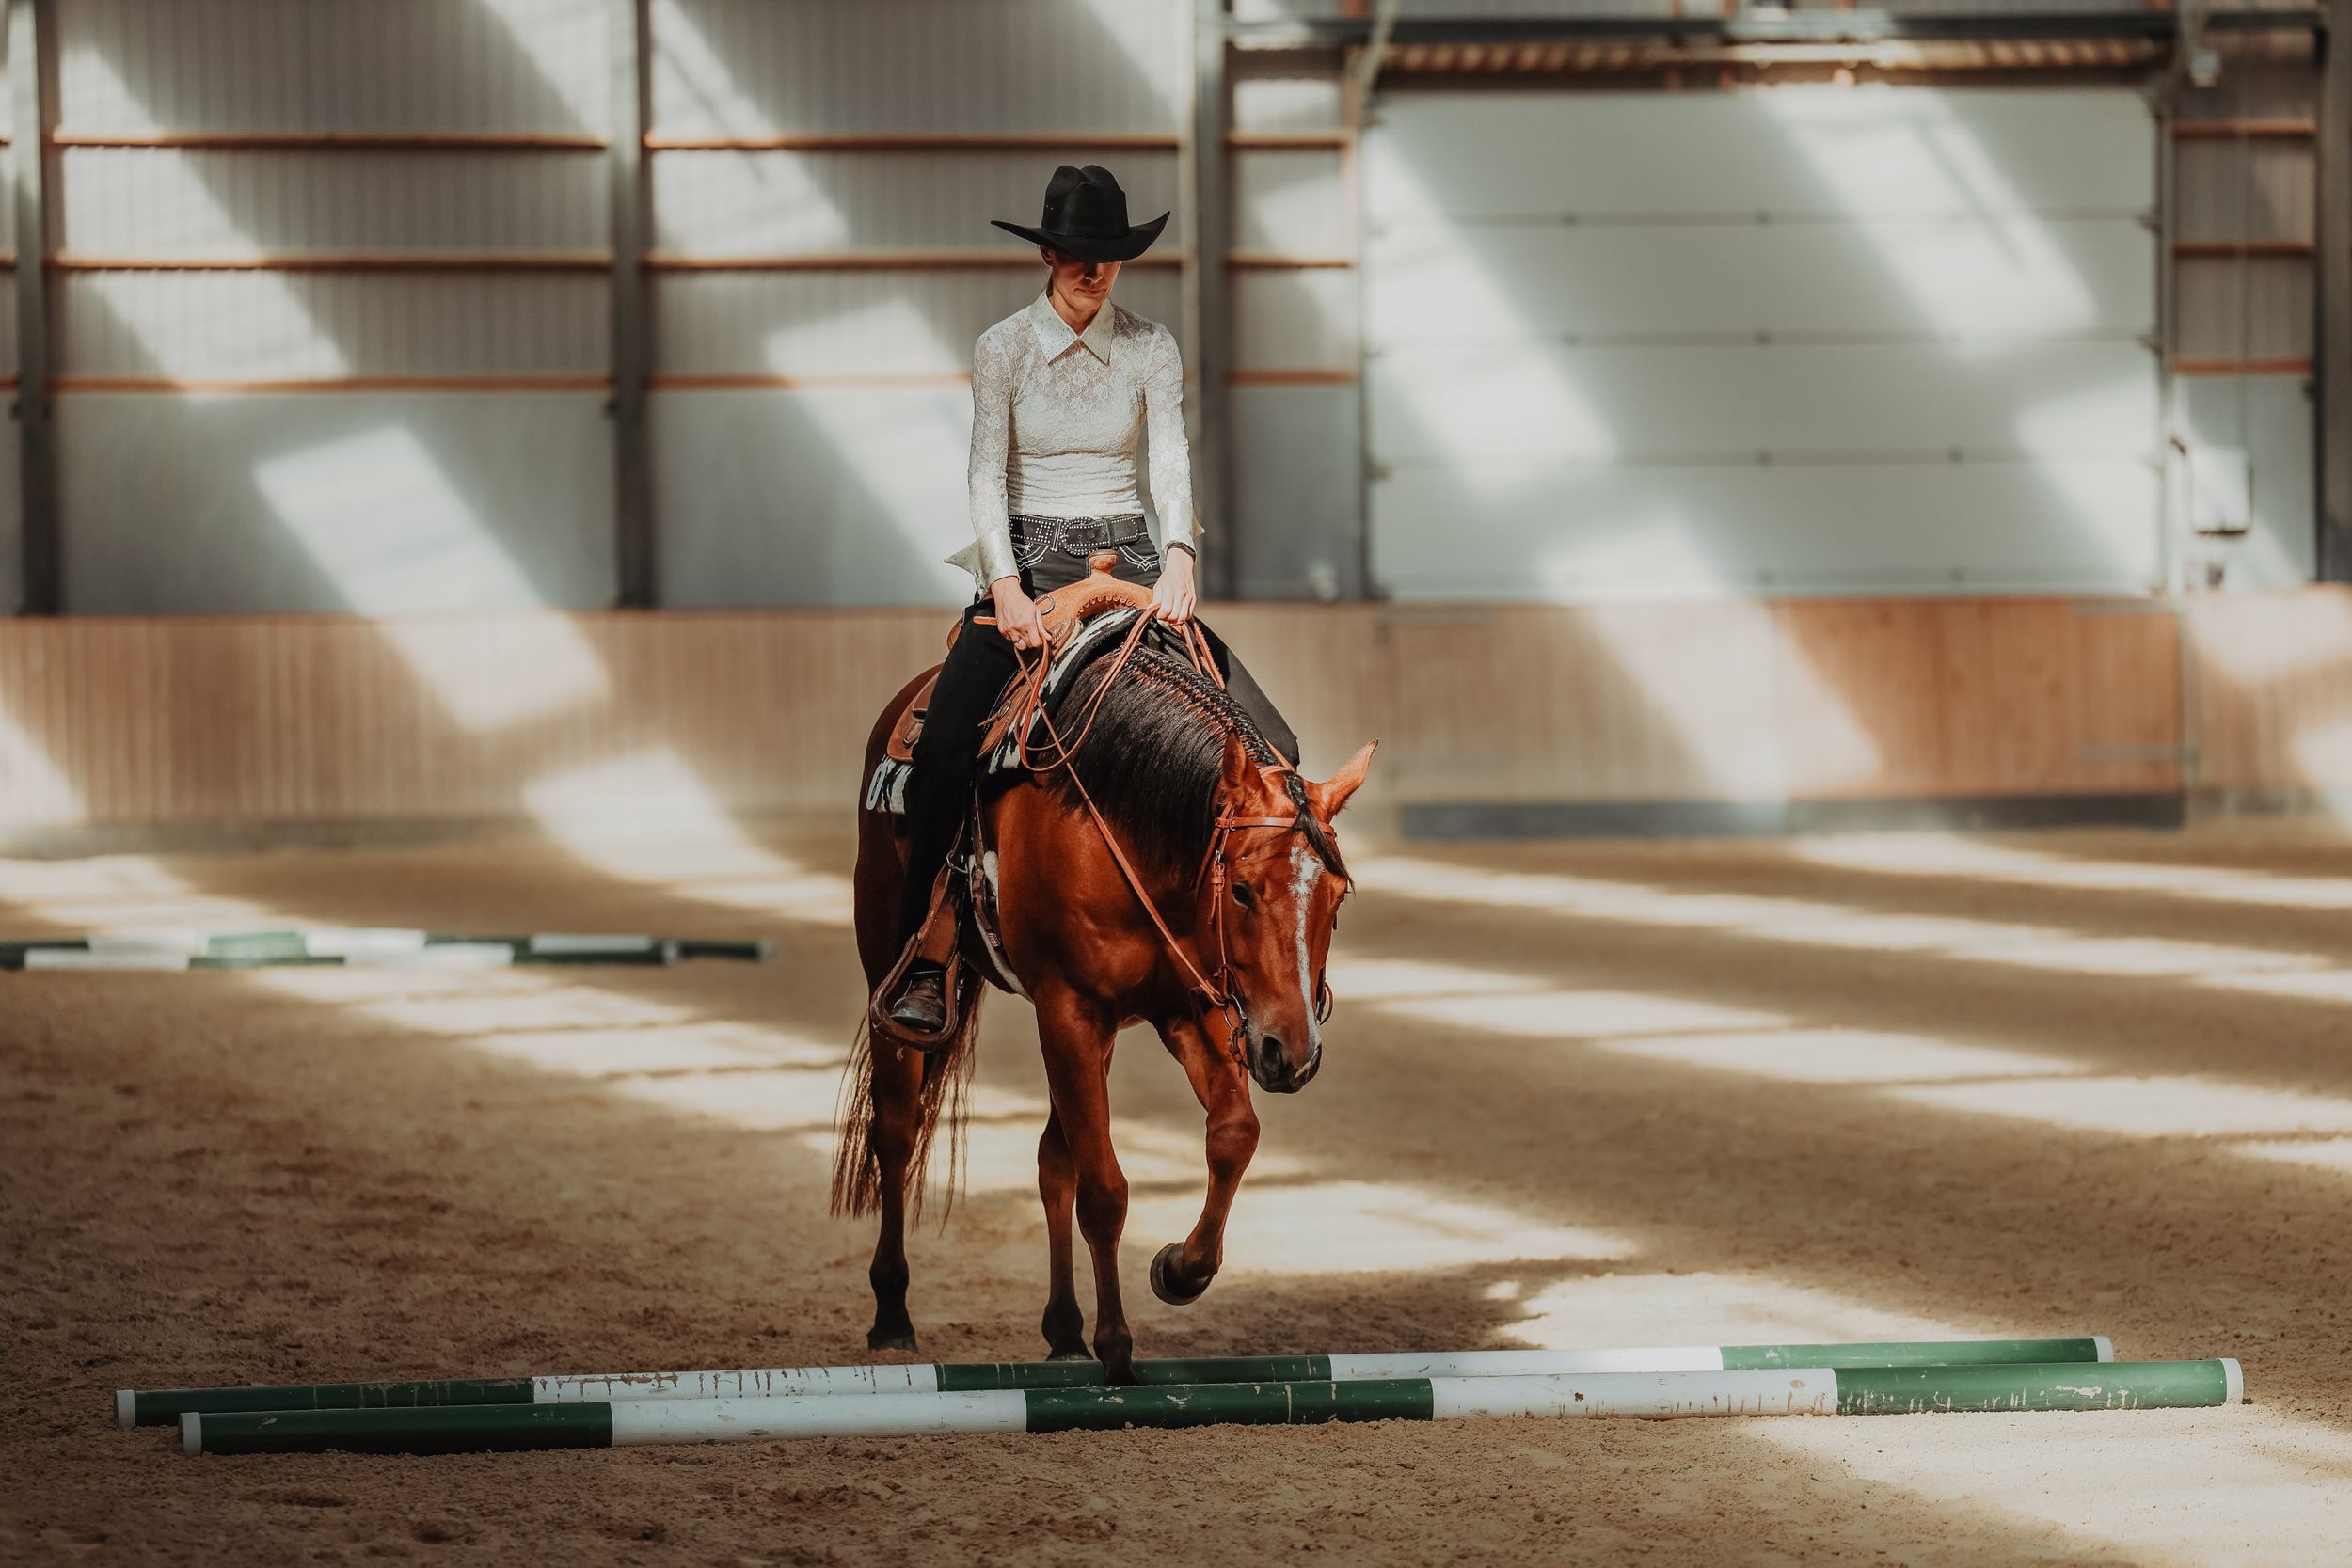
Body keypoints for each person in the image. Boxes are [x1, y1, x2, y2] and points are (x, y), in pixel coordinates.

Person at [885, 164, 1299, 1035]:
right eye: (1077, 253)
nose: (1092, 269)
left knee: (1275, 742)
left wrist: (1182, 553)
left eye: (1108, 255)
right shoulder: (1002, 346)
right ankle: (928, 949)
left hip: (1134, 565)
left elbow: (1171, 458)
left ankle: (1232, 940)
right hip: (1028, 564)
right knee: (945, 748)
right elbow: (983, 470)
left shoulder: (1152, 344)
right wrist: (1002, 583)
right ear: (1047, 252)